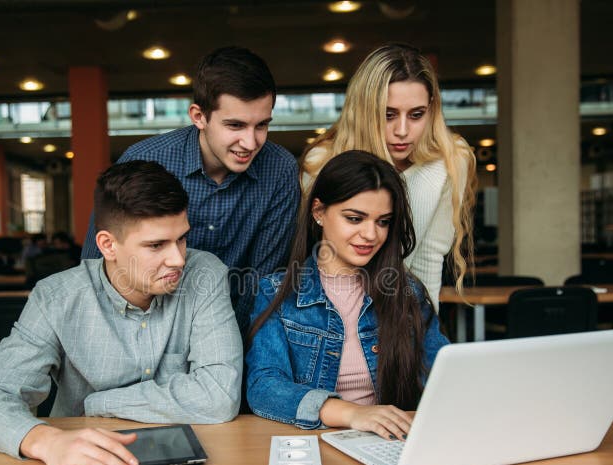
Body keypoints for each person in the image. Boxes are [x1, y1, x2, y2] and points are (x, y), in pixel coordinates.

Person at [0, 160, 243, 465]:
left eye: (181, 239)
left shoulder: (205, 274)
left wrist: (97, 403)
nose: (179, 259)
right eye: (156, 245)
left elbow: (220, 395)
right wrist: (47, 441)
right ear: (108, 245)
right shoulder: (56, 297)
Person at [80, 46, 301, 333]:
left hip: (231, 333)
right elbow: (95, 268)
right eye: (235, 125)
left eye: (262, 125)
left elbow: (262, 285)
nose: (250, 142)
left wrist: (226, 352)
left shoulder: (280, 170)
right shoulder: (145, 160)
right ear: (199, 116)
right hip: (136, 330)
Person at [245, 150, 448, 440]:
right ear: (318, 212)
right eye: (355, 218)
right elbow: (263, 387)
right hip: (312, 444)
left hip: (390, 444)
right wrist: (352, 413)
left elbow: (443, 377)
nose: (371, 234)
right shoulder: (276, 293)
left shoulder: (408, 293)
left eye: (383, 221)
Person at [301, 43, 477, 310]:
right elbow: (312, 258)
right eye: (388, 115)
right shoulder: (322, 163)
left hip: (400, 319)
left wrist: (422, 339)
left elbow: (429, 260)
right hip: (326, 317)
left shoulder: (452, 160)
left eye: (416, 115)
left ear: (432, 108)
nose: (402, 130)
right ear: (364, 110)